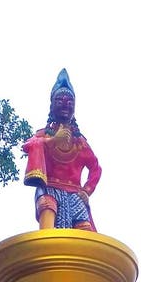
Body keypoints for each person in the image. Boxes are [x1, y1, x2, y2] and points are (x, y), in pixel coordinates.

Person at [23, 69, 101, 231]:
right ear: (52, 106)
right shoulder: (44, 134)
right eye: (59, 101)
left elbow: (96, 167)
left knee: (84, 228)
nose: (65, 104)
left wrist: (87, 190)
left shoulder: (79, 142)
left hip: (75, 193)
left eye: (70, 102)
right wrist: (52, 140)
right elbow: (28, 145)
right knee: (47, 207)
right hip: (49, 188)